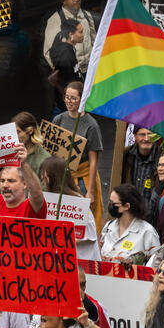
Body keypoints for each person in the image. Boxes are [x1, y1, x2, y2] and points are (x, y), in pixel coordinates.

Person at [56, 82, 105, 223]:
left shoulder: (91, 125)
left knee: (83, 219)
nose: (68, 101)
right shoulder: (59, 119)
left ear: (82, 99)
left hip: (82, 177)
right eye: (66, 97)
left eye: (73, 98)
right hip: (63, 176)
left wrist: (90, 191)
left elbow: (93, 161)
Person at [42, 0, 96, 75]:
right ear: (64, 1)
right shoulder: (55, 20)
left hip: (90, 69)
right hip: (71, 71)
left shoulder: (87, 15)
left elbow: (94, 40)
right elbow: (49, 50)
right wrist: (60, 71)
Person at [100, 184, 159, 266]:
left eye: (113, 203)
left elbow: (155, 264)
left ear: (126, 206)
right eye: (110, 202)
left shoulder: (147, 232)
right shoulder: (108, 227)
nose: (110, 206)